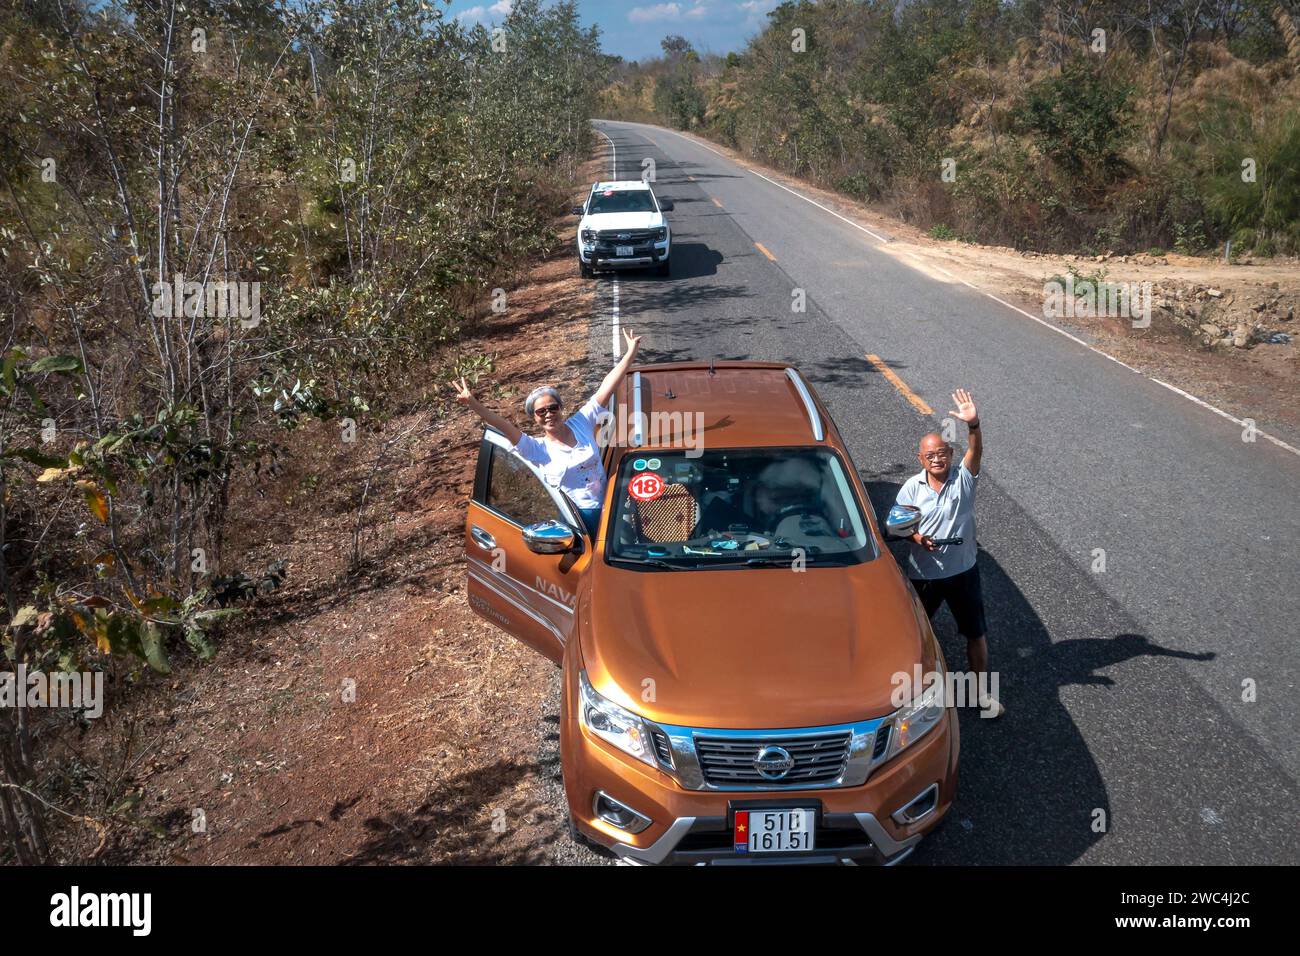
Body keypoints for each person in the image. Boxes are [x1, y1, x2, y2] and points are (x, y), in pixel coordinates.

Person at [453, 329, 642, 536]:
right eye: (541, 411)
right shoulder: (536, 449)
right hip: (580, 520)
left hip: (610, 506)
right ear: (535, 418)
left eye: (553, 408)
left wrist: (630, 353)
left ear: (561, 408)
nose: (548, 414)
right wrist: (473, 404)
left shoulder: (581, 422)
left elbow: (607, 387)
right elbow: (503, 425)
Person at [895, 388, 1003, 718]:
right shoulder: (912, 488)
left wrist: (974, 425)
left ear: (950, 456)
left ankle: (981, 694)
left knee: (976, 633)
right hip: (924, 575)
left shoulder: (964, 480)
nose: (938, 459)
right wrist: (915, 537)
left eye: (942, 453)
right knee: (914, 636)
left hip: (963, 571)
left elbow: (976, 451)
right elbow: (895, 526)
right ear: (921, 460)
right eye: (930, 456)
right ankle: (915, 697)